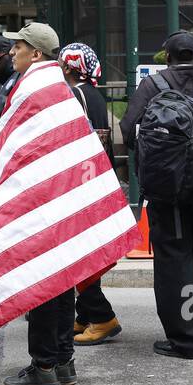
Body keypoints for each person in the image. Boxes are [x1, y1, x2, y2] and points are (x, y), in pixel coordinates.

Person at [122, 31, 193, 359]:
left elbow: (128, 130)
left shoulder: (153, 87)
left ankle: (184, 341)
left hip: (170, 192)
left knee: (175, 259)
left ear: (168, 56)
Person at [0, 22, 84, 385]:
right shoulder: (65, 90)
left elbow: (17, 147)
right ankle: (64, 362)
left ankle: (43, 366)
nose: (11, 52)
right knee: (63, 282)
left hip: (42, 202)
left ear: (35, 54)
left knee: (44, 284)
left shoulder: (32, 90)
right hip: (65, 199)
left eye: (18, 46)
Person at [61, 41, 122, 346]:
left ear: (69, 68)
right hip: (96, 181)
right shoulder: (93, 95)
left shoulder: (74, 94)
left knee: (79, 255)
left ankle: (102, 317)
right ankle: (85, 315)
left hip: (81, 185)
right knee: (85, 253)